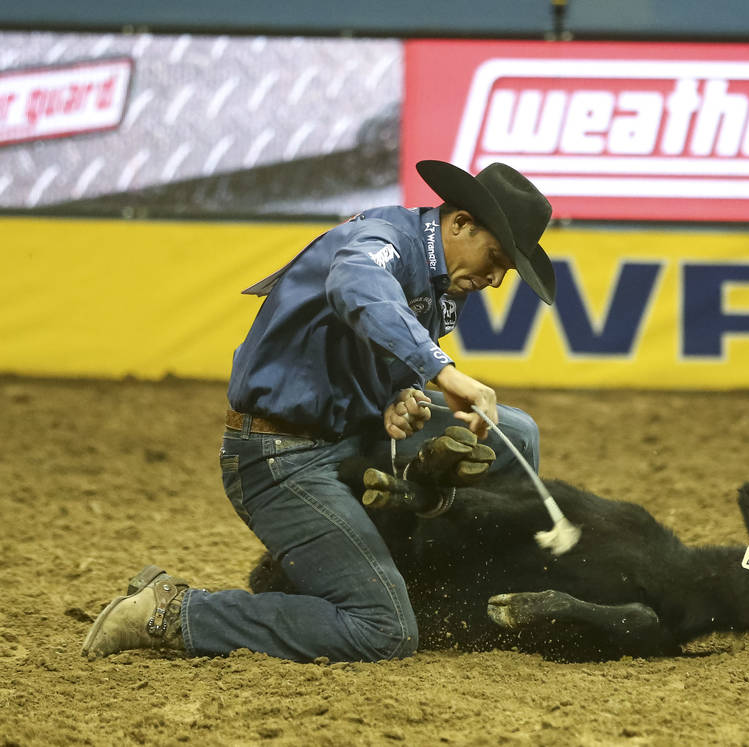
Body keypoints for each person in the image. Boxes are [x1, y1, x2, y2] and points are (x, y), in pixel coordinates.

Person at [82, 159, 556, 663]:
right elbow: (357, 285)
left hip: (349, 437)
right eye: (496, 258)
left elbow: (381, 357)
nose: (497, 279)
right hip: (279, 456)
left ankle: (449, 589)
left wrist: (400, 397)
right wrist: (443, 371)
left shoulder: (443, 280)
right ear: (460, 223)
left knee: (515, 435)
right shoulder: (384, 240)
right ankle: (172, 612)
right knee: (384, 631)